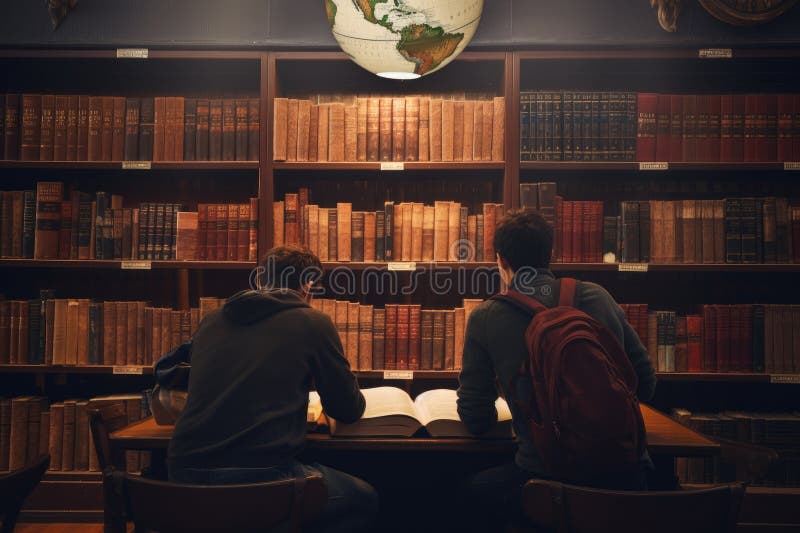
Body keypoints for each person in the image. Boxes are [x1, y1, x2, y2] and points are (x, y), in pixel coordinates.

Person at [456, 209, 657, 530]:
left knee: (471, 492)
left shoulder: (486, 316)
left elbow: (476, 418)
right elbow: (645, 384)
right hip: (627, 483)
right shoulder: (598, 296)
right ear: (550, 255)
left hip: (546, 485)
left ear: (501, 261)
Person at [167, 245, 378, 533]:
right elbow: (346, 409)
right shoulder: (313, 322)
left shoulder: (212, 320)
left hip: (183, 477)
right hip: (261, 478)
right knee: (363, 498)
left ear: (261, 280)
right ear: (308, 284)